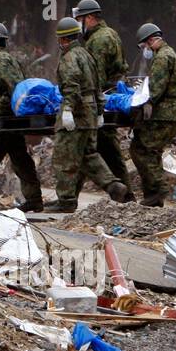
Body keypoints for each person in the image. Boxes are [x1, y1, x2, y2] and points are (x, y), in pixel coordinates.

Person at [46, 16, 129, 213]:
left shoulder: (69, 58)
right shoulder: (87, 55)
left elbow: (72, 87)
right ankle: (114, 186)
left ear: (63, 39)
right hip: (91, 113)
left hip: (77, 113)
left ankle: (65, 200)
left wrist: (67, 110)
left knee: (64, 156)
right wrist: (99, 111)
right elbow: (98, 85)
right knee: (88, 156)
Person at [0, 21, 43, 211]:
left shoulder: (1, 60)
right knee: (21, 159)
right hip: (9, 120)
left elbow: (17, 87)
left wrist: (15, 114)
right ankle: (34, 200)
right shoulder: (4, 58)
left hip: (5, 121)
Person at [74, 0, 132, 195]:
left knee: (90, 148)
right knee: (101, 149)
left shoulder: (98, 40)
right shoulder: (110, 34)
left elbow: (94, 77)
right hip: (109, 97)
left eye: (80, 18)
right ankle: (124, 192)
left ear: (89, 18)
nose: (78, 24)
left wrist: (91, 104)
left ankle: (70, 197)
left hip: (103, 99)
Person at [129, 22, 176, 205]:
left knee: (141, 149)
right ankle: (152, 197)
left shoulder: (163, 57)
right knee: (152, 151)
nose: (144, 50)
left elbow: (155, 90)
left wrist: (136, 102)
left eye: (143, 46)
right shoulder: (167, 54)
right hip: (171, 113)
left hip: (166, 114)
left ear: (150, 40)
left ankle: (158, 190)